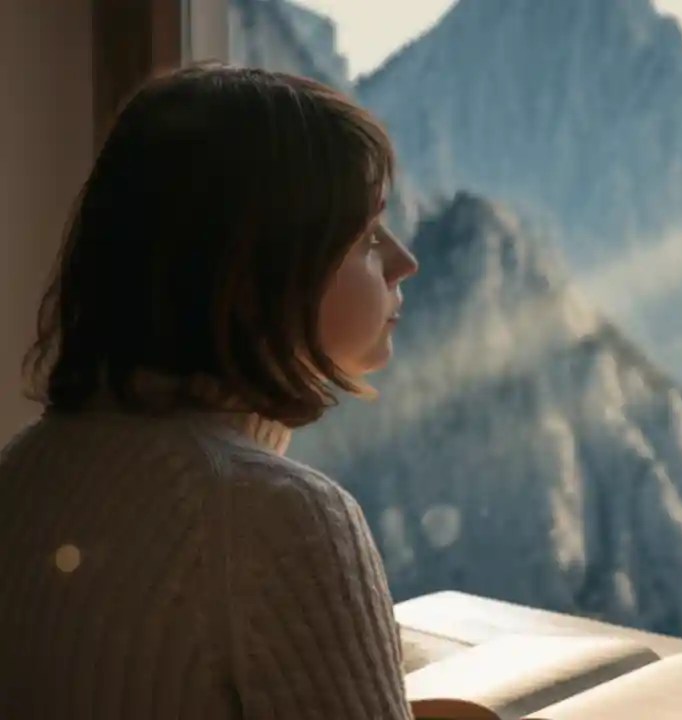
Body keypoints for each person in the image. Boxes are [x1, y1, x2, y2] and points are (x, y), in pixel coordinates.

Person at [0, 63, 419, 719]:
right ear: (254, 277)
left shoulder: (20, 471)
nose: (404, 261)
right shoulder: (281, 517)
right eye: (368, 237)